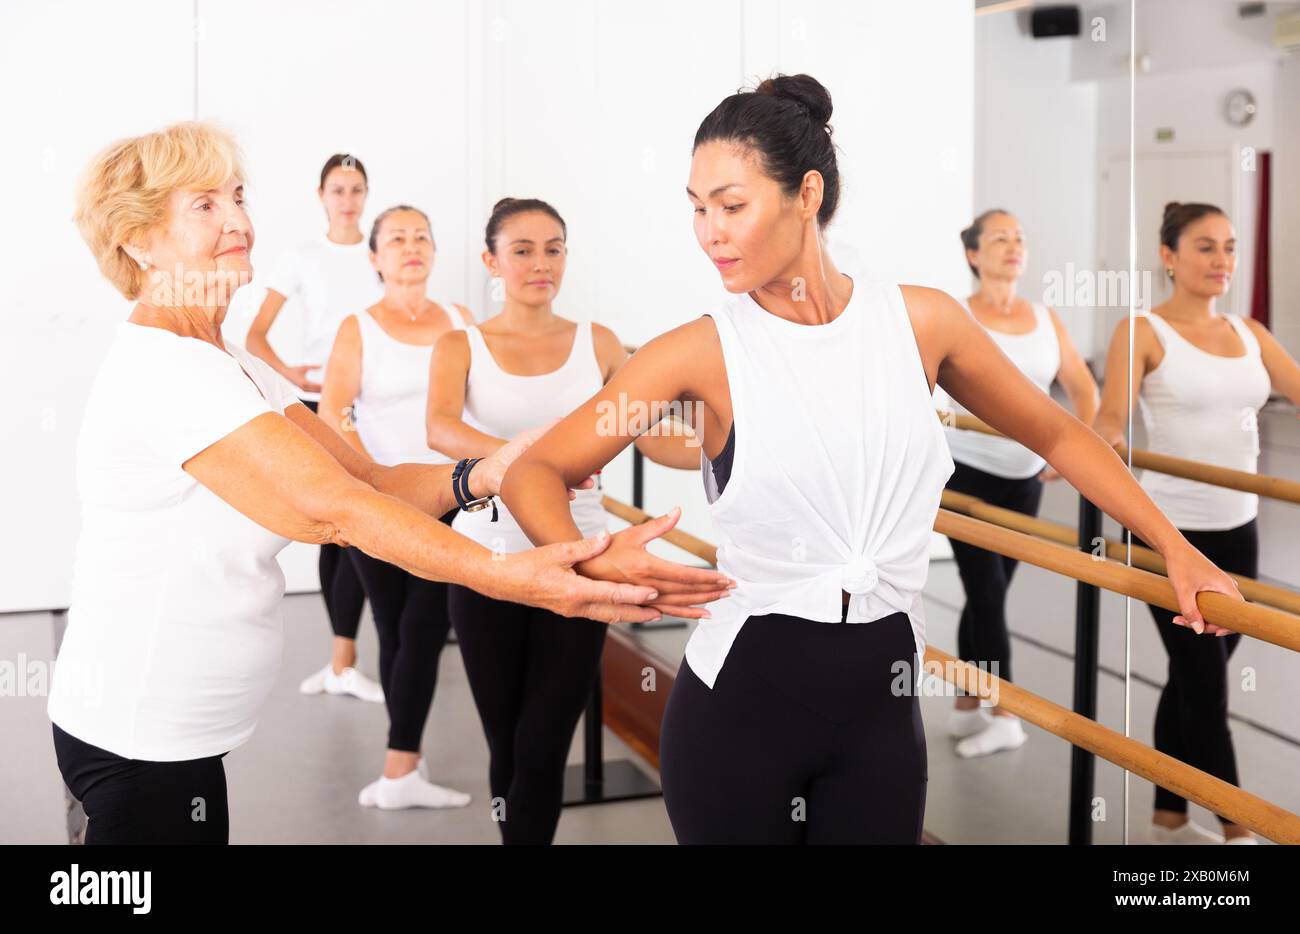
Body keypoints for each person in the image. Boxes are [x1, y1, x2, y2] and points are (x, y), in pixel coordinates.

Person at [499, 75, 1244, 845]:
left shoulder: (920, 321)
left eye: (731, 204)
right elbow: (534, 469)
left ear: (806, 194)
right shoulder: (699, 350)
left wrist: (1174, 548)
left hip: (880, 718)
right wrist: (588, 563)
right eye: (696, 208)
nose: (709, 232)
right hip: (735, 719)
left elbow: (1057, 433)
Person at [48, 122, 732, 844]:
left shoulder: (232, 364)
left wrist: (485, 474)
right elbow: (338, 513)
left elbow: (368, 477)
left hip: (181, 740)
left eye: (238, 196)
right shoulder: (170, 371)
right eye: (204, 206)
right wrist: (515, 576)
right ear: (138, 242)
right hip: (134, 736)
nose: (240, 221)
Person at [426, 197, 703, 842]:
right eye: (522, 249)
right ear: (491, 260)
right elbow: (439, 428)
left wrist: (730, 444)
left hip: (581, 556)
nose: (540, 263)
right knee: (506, 740)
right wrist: (533, 458)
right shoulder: (460, 344)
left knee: (546, 739)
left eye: (554, 248)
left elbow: (653, 437)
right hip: (487, 560)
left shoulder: (598, 343)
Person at [1094, 202, 1300, 845]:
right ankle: (1238, 833)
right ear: (1169, 255)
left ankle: (1167, 818)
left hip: (1241, 526)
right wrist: (1084, 448)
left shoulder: (1251, 331)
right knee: (1207, 687)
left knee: (1192, 675)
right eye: (1206, 247)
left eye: (1231, 248)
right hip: (1171, 536)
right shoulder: (1144, 330)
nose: (1222, 261)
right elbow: (1110, 419)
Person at [318, 204, 477, 809]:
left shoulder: (461, 321)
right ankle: (402, 762)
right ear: (375, 257)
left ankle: (399, 763)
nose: (412, 247)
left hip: (452, 499)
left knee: (424, 625)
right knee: (393, 628)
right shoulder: (358, 327)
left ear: (433, 251)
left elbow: (474, 406)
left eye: (422, 237)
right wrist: (379, 481)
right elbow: (335, 414)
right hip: (376, 501)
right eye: (397, 239)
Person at [939, 210, 1099, 758]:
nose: (1013, 246)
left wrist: (1076, 447)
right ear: (973, 254)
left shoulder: (1045, 318)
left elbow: (1081, 386)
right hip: (965, 476)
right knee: (987, 593)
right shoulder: (956, 315)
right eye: (999, 238)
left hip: (1024, 477)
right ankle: (1005, 713)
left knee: (991, 592)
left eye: (1019, 238)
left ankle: (967, 699)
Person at [245, 153, 382, 703]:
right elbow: (256, 335)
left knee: (374, 523)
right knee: (340, 527)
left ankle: (359, 658)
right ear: (321, 196)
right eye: (337, 190)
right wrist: (289, 374)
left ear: (366, 194)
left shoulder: (382, 254)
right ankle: (342, 660)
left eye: (355, 189)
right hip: (324, 405)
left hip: (378, 406)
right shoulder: (302, 257)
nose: (347, 199)